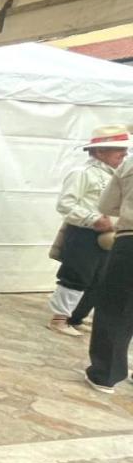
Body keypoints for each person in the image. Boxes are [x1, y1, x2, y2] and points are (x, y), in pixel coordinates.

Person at [48, 125, 128, 335]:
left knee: (99, 278)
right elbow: (66, 204)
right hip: (84, 234)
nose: (124, 154)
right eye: (118, 149)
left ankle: (76, 316)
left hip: (108, 235)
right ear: (100, 151)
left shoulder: (117, 176)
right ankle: (60, 318)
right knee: (77, 275)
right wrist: (92, 219)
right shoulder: (82, 173)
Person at [85, 155, 133, 393]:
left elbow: (106, 206)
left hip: (130, 239)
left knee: (116, 306)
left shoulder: (130, 163)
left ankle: (106, 374)